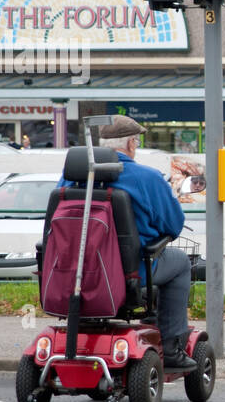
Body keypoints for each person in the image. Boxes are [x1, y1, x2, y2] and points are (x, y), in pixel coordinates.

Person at [60, 115, 195, 371]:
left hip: (73, 272)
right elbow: (174, 226)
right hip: (130, 271)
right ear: (132, 144)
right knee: (179, 263)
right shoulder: (147, 178)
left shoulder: (72, 177)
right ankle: (171, 345)